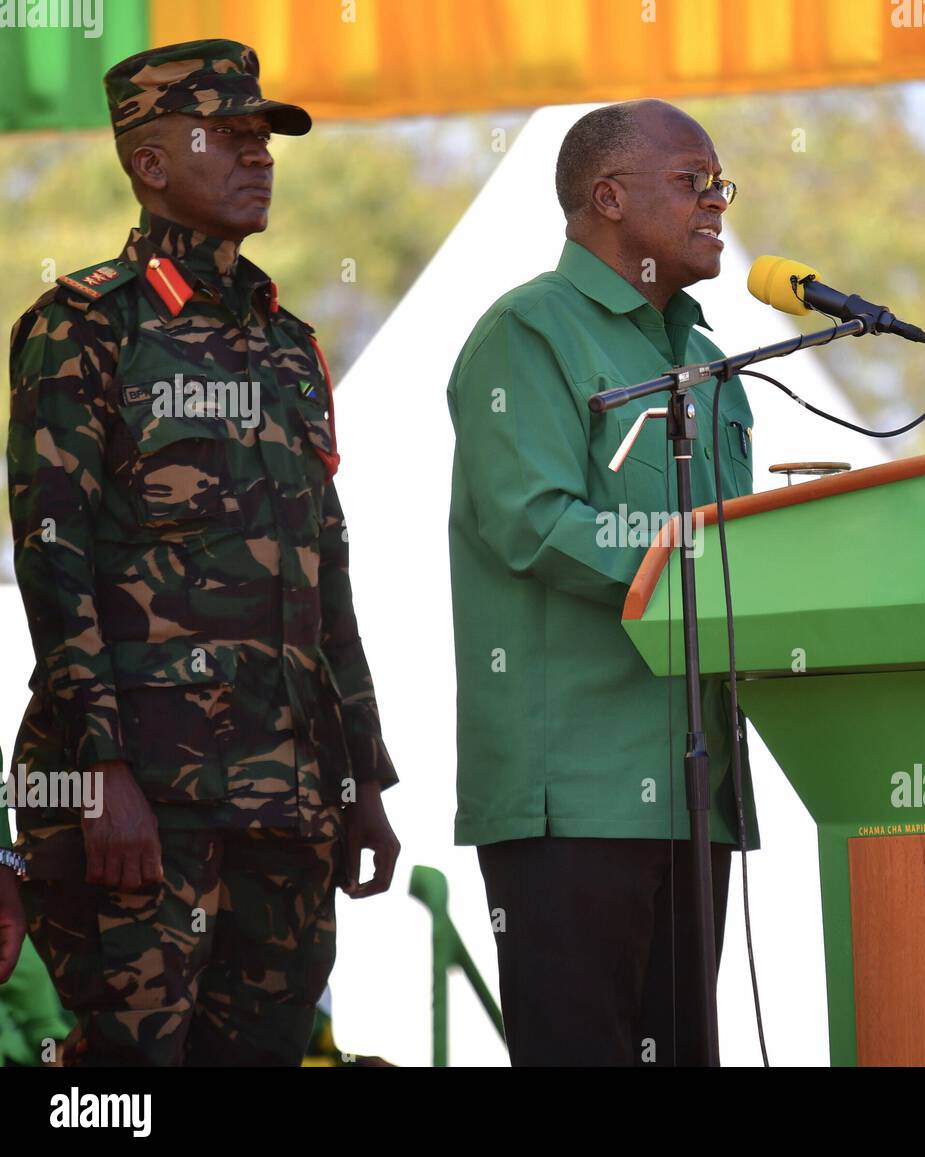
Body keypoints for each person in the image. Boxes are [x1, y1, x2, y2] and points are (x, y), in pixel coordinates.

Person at [0, 39, 400, 1066]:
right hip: (143, 801)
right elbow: (54, 557)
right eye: (226, 133)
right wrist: (102, 771)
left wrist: (363, 779)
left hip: (287, 800)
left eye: (262, 136)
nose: (257, 154)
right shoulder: (82, 327)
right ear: (149, 162)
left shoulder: (289, 343)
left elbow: (329, 567)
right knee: (122, 1079)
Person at [446, 99, 760, 1067]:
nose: (715, 202)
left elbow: (742, 545)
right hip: (570, 797)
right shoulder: (526, 334)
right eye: (690, 181)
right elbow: (531, 520)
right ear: (607, 197)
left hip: (696, 791)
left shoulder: (713, 364)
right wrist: (693, 563)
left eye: (720, 184)